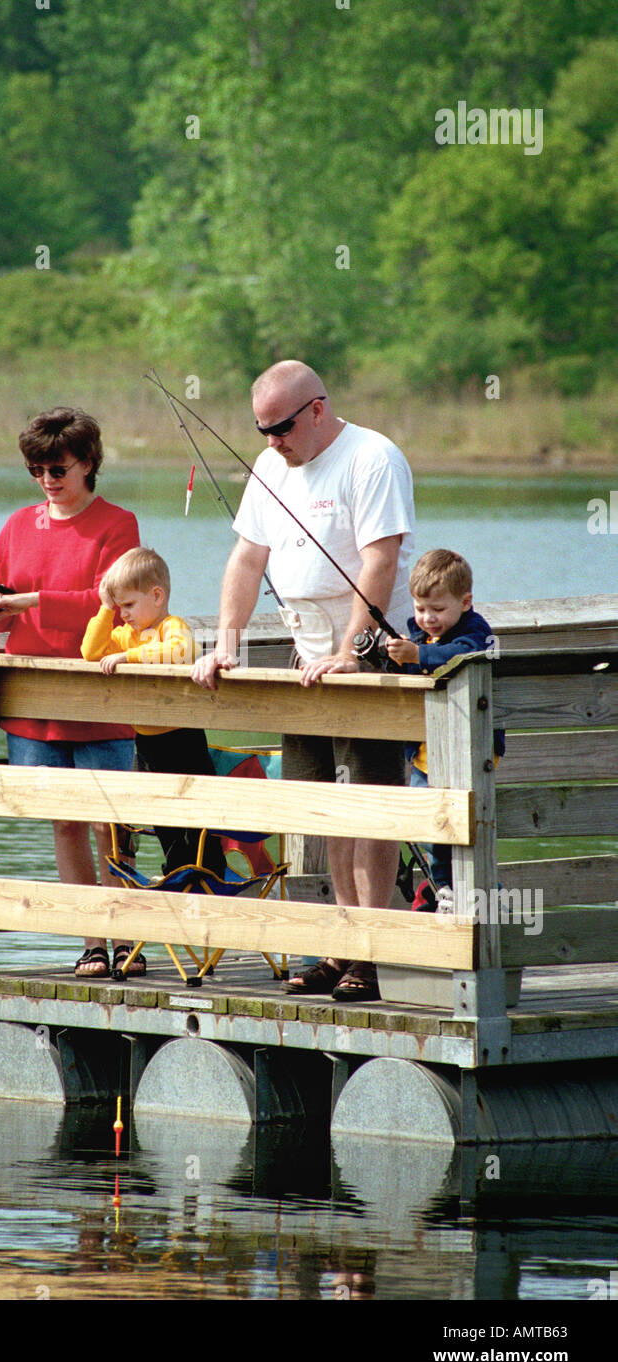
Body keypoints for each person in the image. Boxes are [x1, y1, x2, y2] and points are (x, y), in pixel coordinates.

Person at [191, 359, 415, 1003]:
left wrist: (350, 652)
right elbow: (247, 557)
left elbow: (381, 558)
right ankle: (340, 949)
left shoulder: (372, 458)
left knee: (369, 809)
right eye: (261, 429)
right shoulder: (270, 468)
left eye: (281, 427)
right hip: (302, 660)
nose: (271, 442)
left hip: (370, 656)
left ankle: (372, 956)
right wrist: (226, 644)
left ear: (316, 409)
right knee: (319, 811)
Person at [0, 407, 142, 980]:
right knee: (64, 823)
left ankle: (129, 942)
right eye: (36, 469)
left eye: (58, 467)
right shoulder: (17, 525)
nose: (47, 479)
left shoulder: (118, 524)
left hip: (100, 697)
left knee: (110, 823)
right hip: (34, 702)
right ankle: (92, 942)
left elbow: (109, 600)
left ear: (89, 462)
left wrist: (27, 600)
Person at [82, 546, 227, 880]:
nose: (123, 615)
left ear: (157, 595)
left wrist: (126, 659)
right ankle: (178, 872)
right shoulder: (126, 634)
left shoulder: (171, 626)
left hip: (182, 740)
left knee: (195, 815)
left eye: (129, 605)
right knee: (162, 816)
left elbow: (182, 650)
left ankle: (207, 873)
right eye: (119, 608)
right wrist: (105, 608)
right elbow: (90, 651)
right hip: (146, 745)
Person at [385, 548, 505, 893]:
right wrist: (399, 658)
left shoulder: (476, 630)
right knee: (427, 821)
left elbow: (464, 655)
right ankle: (444, 888)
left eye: (438, 609)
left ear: (465, 601)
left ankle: (473, 890)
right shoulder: (419, 635)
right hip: (426, 753)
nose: (428, 618)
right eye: (420, 609)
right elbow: (417, 665)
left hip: (469, 750)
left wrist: (419, 654)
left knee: (462, 827)